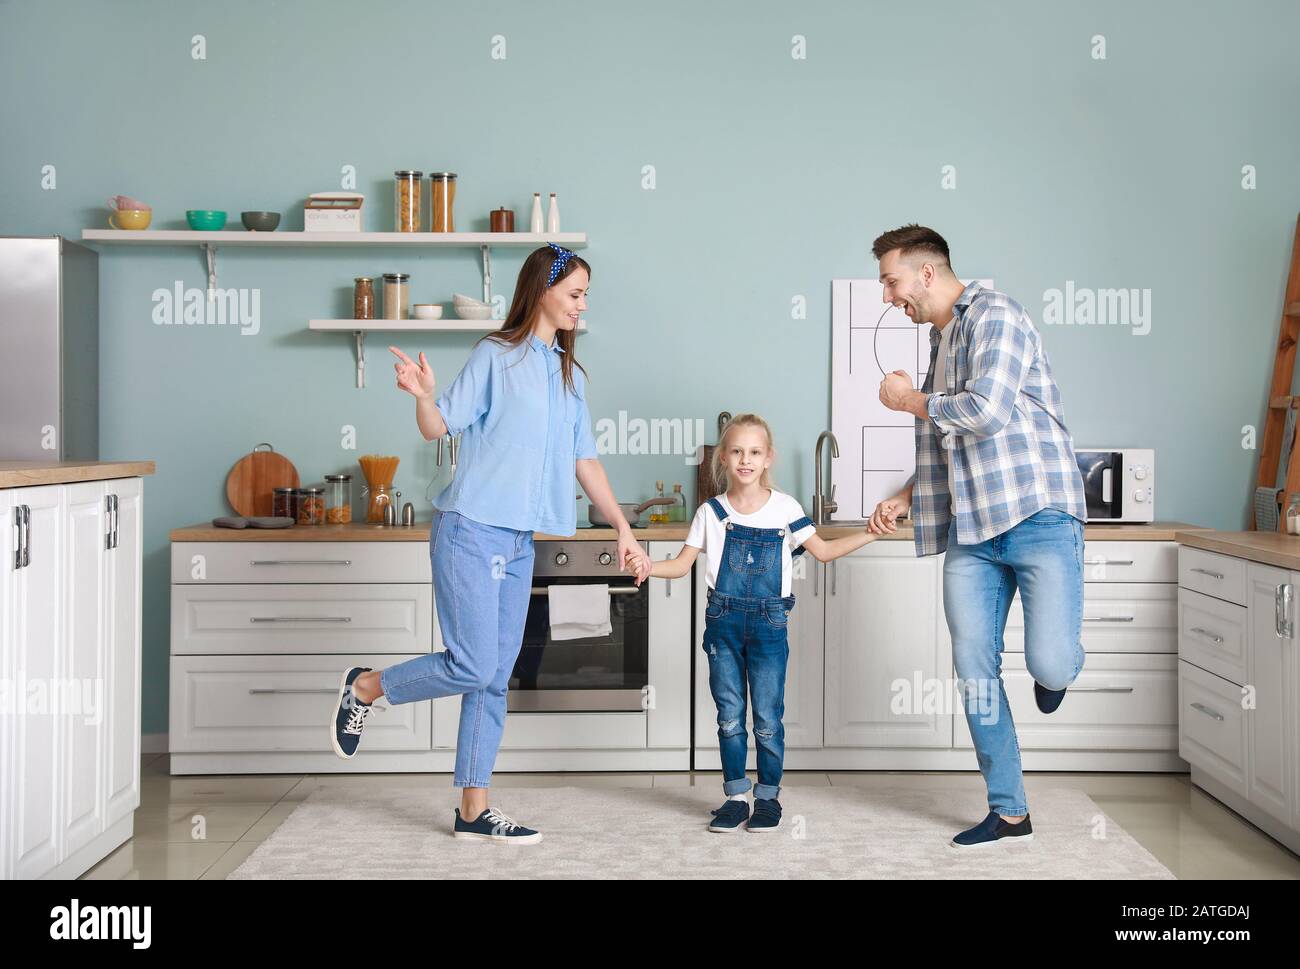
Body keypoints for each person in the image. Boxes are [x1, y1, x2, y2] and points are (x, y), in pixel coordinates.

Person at [328, 243, 649, 844]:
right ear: (543, 291)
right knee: (472, 663)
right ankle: (366, 687)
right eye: (575, 293)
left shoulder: (568, 377)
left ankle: (473, 811)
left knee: (493, 678)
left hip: (518, 541)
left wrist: (624, 529)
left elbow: (587, 462)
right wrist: (424, 396)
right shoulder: (495, 357)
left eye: (584, 296)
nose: (582, 306)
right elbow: (438, 425)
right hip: (470, 530)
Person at [869, 224, 1088, 849]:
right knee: (973, 670)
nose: (890, 296)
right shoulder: (943, 342)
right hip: (973, 528)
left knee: (1048, 659)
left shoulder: (997, 316)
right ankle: (1010, 810)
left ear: (927, 273)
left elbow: (986, 412)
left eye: (892, 281)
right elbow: (950, 437)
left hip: (1038, 514)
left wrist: (910, 399)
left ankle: (1060, 669)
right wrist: (905, 497)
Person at [632, 414, 877, 833]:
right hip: (723, 625)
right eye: (737, 451)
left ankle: (767, 799)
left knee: (766, 718)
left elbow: (822, 551)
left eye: (755, 452)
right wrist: (648, 564)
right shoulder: (711, 512)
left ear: (768, 459)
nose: (746, 459)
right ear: (724, 458)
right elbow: (681, 564)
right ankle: (734, 798)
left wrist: (872, 533)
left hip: (769, 625)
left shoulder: (786, 508)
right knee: (729, 716)